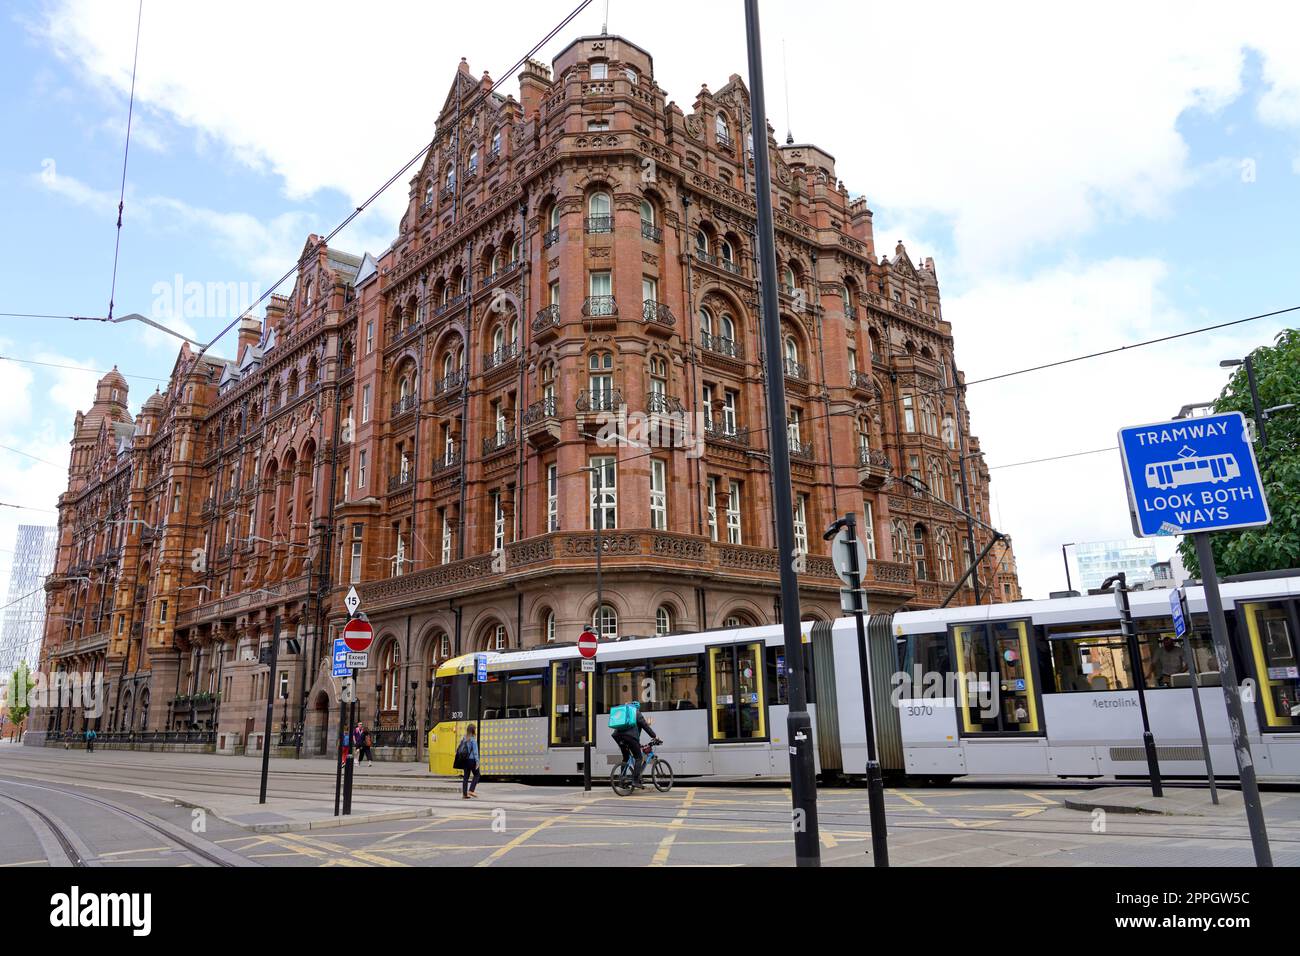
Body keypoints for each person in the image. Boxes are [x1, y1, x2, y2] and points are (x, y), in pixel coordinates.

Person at [610, 700, 661, 790]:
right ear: (638, 707)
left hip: (617, 736)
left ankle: (622, 781)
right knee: (639, 758)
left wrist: (637, 743)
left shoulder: (626, 714)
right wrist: (655, 736)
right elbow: (646, 726)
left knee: (626, 758)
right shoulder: (637, 713)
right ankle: (635, 781)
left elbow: (634, 731)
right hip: (629, 737)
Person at [456, 724, 480, 799]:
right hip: (472, 760)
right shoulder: (473, 739)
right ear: (473, 730)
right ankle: (471, 790)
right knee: (477, 775)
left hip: (465, 760)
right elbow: (475, 752)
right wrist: (477, 762)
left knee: (466, 777)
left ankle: (464, 794)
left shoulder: (464, 738)